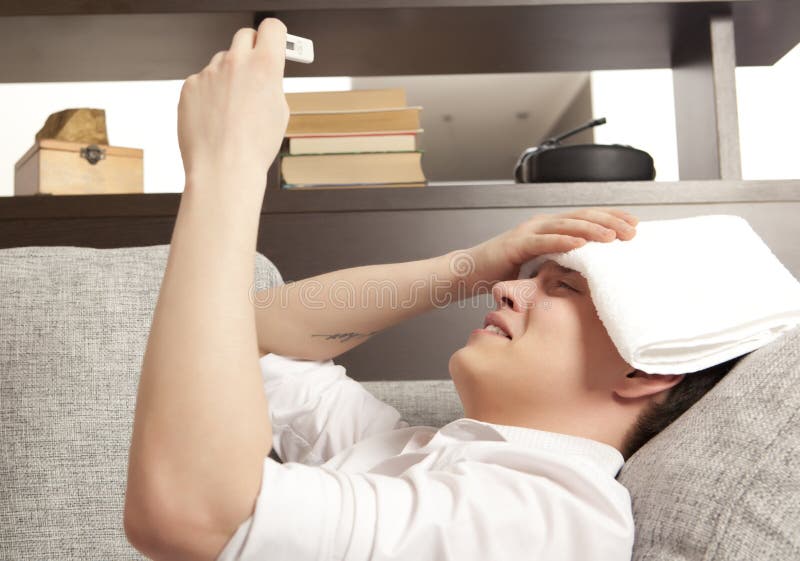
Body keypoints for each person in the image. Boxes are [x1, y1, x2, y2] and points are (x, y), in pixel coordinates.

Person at [122, 18, 748, 561]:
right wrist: (472, 265)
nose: (507, 291)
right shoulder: (419, 451)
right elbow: (255, 335)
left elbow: (193, 514)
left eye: (562, 291)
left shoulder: (546, 516)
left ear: (645, 370)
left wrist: (227, 162)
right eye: (523, 278)